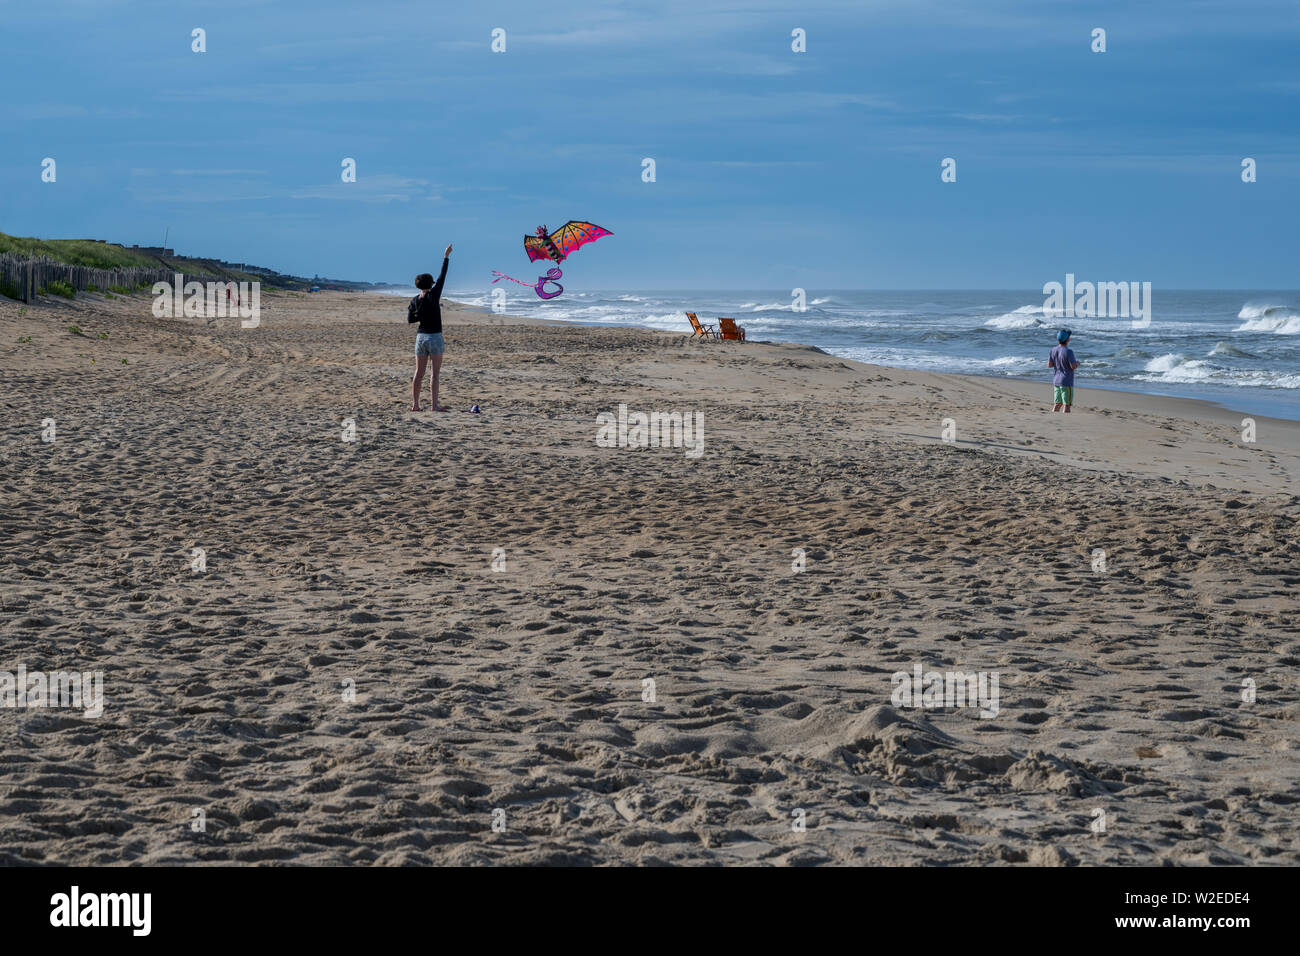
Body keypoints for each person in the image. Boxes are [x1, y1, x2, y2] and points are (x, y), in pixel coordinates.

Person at [408, 244, 453, 412]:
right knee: (434, 374)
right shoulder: (434, 295)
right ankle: (434, 405)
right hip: (434, 337)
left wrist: (420, 312)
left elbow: (410, 319)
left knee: (419, 373)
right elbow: (443, 276)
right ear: (430, 284)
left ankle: (416, 405)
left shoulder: (414, 300)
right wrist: (446, 256)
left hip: (420, 338)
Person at [1048, 328, 1079, 413]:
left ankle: (1053, 418)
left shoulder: (1053, 350)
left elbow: (1050, 365)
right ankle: (1065, 421)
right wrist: (1077, 363)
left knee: (1057, 403)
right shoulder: (1069, 351)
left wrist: (1059, 362)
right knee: (1067, 405)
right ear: (1067, 339)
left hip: (1056, 380)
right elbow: (1073, 366)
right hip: (1066, 381)